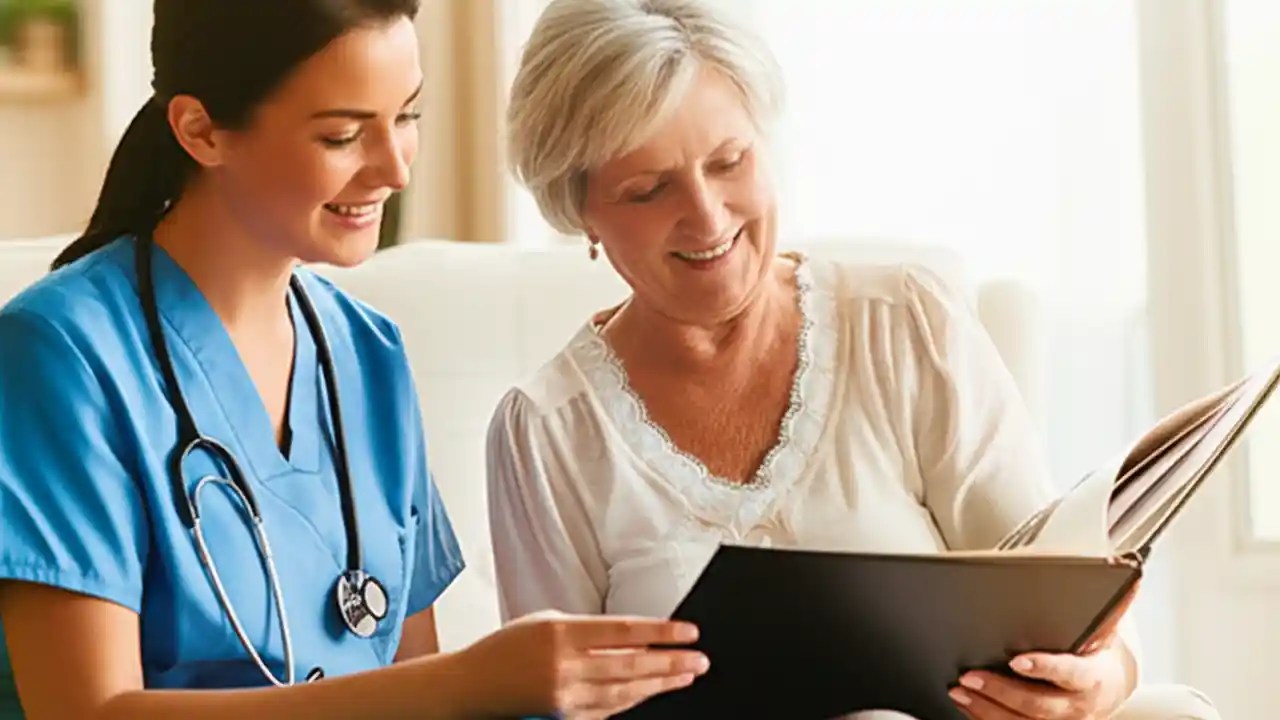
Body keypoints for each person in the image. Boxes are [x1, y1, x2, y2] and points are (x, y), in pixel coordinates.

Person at [487, 1, 1219, 719]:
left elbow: (1058, 589)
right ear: (579, 210)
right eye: (648, 191)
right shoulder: (547, 433)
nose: (707, 216)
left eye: (730, 161)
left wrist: (1100, 679)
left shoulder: (907, 325)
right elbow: (548, 706)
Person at [0, 2, 711, 718]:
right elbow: (85, 712)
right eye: (342, 136)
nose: (395, 169)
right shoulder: (60, 353)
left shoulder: (367, 355)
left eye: (407, 116)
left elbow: (418, 687)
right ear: (201, 130)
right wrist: (472, 680)